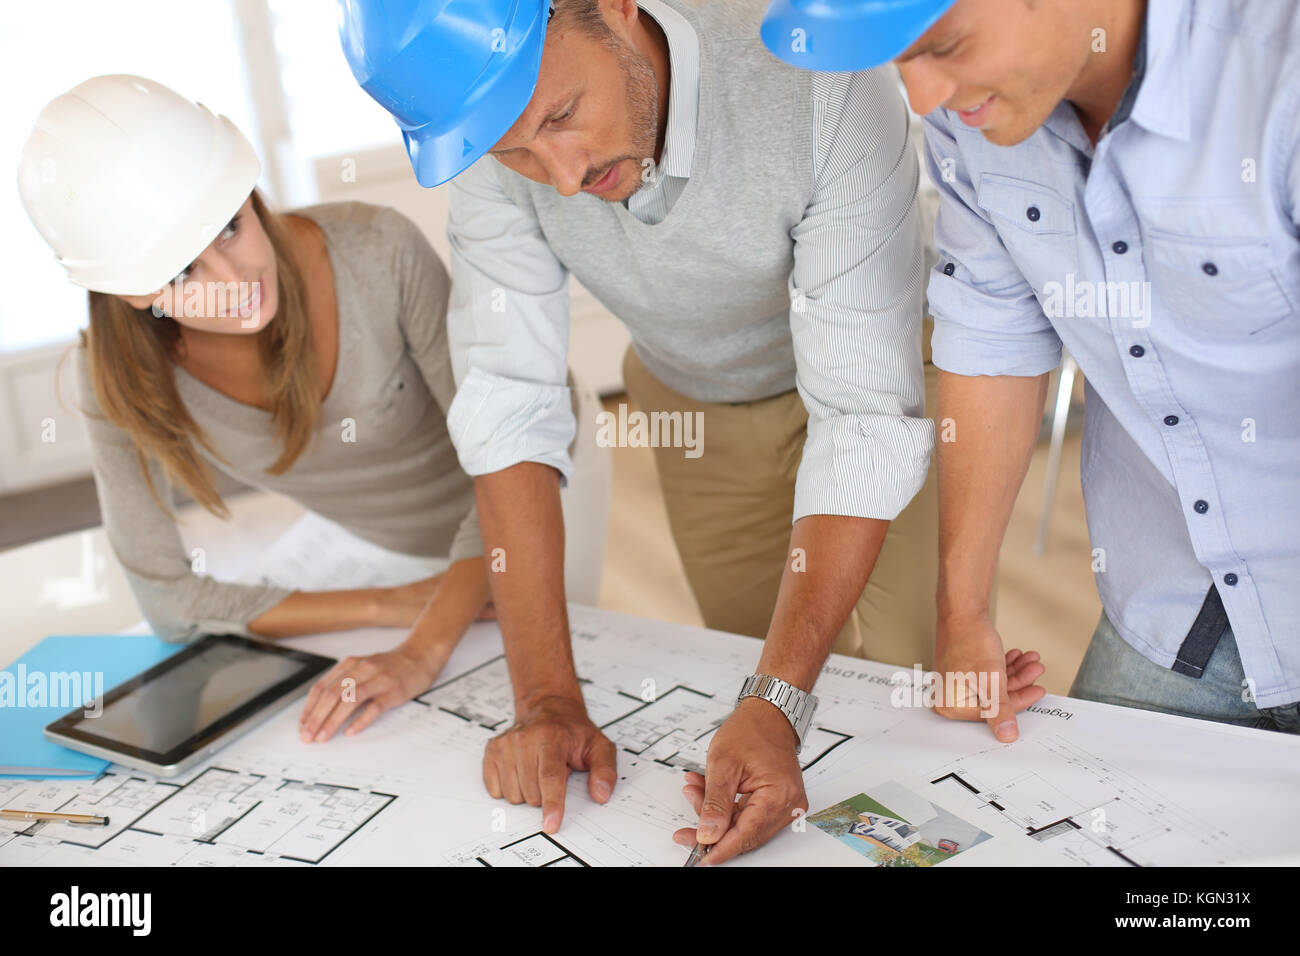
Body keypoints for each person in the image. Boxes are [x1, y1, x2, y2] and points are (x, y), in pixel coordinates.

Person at [340, 0, 945, 865]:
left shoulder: (822, 82)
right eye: (516, 149)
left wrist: (778, 704)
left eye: (562, 115)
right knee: (749, 672)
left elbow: (859, 417)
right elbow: (510, 398)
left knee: (900, 693)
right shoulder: (488, 135)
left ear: (616, 11)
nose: (558, 175)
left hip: (874, 382)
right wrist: (545, 700)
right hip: (694, 400)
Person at [762, 0, 1300, 737]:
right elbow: (992, 330)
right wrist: (963, 611)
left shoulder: (1278, 69)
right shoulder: (970, 114)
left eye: (945, 45)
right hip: (1174, 605)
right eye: (902, 59)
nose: (922, 99)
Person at [17, 74, 602, 744]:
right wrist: (393, 606)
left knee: (558, 693)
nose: (235, 284)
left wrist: (420, 646)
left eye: (231, 228)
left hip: (535, 473)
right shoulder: (115, 378)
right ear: (128, 293)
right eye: (184, 274)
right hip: (391, 548)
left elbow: (501, 459)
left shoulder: (378, 252)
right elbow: (169, 603)